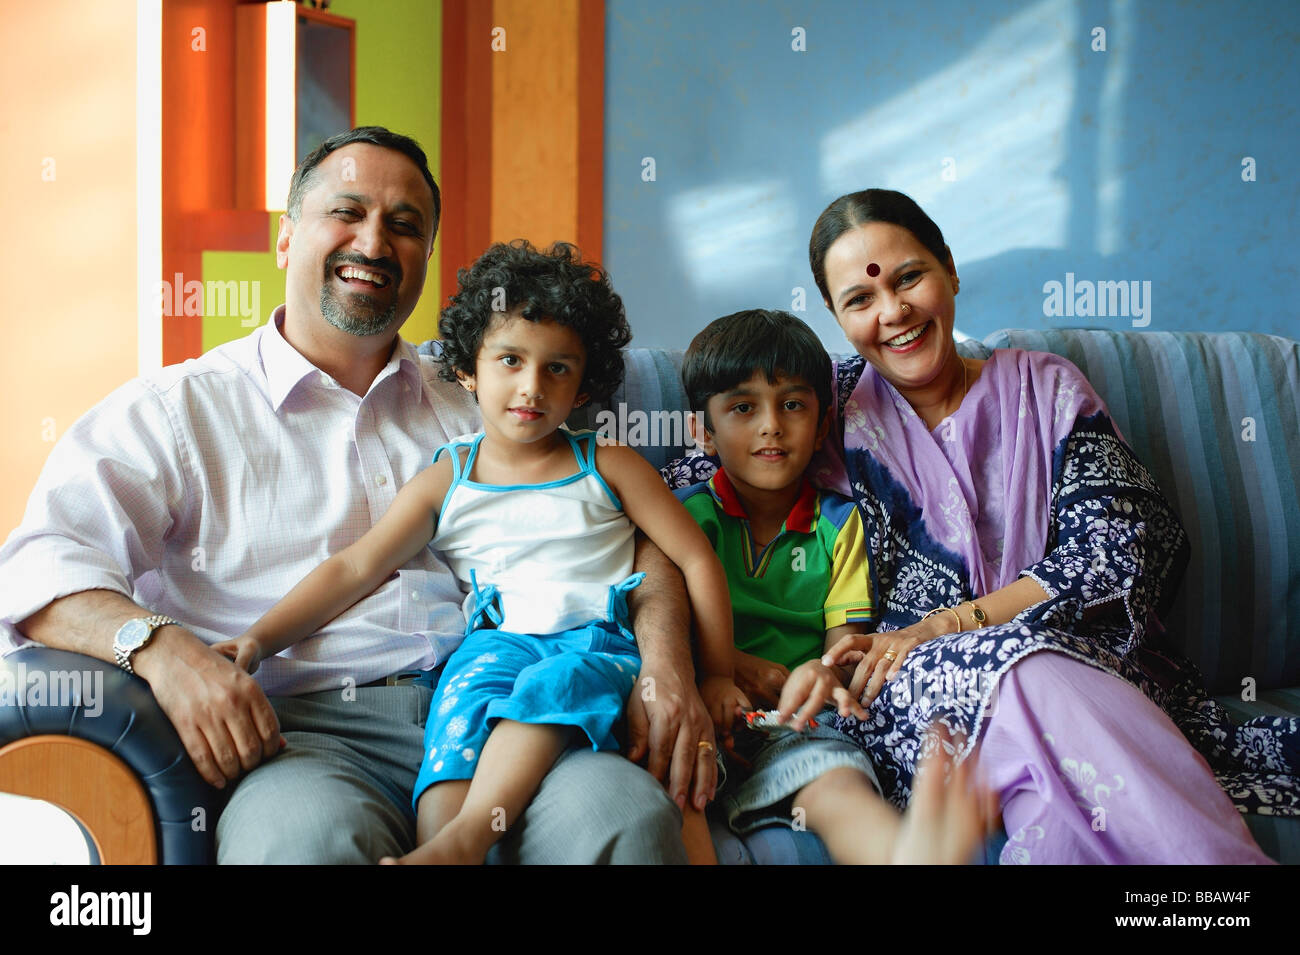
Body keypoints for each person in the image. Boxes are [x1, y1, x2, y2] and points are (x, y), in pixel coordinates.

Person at [0, 126, 716, 864]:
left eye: (405, 227)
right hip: (306, 737)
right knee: (299, 844)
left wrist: (668, 665)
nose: (374, 244)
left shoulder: (490, 394)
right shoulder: (177, 410)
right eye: (347, 212)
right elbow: (39, 564)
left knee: (623, 816)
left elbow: (636, 542)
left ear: (425, 258)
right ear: (286, 239)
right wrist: (159, 648)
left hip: (513, 705)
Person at [667, 188, 1279, 863]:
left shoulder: (1044, 388)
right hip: (903, 691)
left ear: (950, 270)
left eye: (909, 278)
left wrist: (955, 623)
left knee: (1038, 695)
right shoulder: (820, 406)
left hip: (1069, 657)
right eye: (860, 300)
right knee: (1029, 679)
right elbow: (678, 500)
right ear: (840, 319)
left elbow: (1120, 546)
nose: (893, 311)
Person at [213, 239, 744, 864]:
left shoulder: (609, 465)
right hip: (492, 646)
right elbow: (355, 568)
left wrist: (716, 673)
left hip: (597, 643)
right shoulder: (449, 478)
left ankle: (466, 843)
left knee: (555, 685)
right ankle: (445, 844)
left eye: (558, 368)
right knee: (453, 739)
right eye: (510, 360)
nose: (531, 387)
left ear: (583, 385)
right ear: (467, 370)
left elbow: (693, 559)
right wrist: (255, 641)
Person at [675, 308, 991, 863]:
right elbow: (657, 621)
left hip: (792, 718)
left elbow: (842, 647)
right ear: (701, 430)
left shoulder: (841, 525)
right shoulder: (683, 520)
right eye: (743, 408)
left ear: (822, 425)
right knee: (669, 778)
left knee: (833, 777)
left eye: (793, 405)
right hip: (697, 707)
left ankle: (904, 854)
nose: (771, 424)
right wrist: (721, 673)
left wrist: (821, 673)